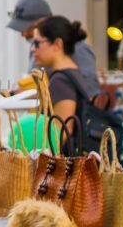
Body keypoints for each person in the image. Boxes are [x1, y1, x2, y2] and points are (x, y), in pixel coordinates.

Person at [30, 16, 102, 146]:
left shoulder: (60, 81)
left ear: (57, 44)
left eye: (37, 43)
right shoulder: (73, 73)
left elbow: (62, 132)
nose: (33, 49)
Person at [7, 0, 100, 74]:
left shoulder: (78, 48)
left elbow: (89, 88)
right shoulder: (35, 47)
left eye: (27, 28)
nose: (23, 34)